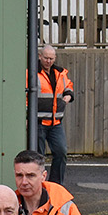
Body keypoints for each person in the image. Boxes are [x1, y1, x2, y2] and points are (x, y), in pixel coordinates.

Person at [33, 45, 76, 184]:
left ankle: (56, 185)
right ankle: (39, 185)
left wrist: (68, 96)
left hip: (56, 122)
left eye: (51, 58)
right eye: (46, 58)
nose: (48, 61)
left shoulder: (60, 72)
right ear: (40, 56)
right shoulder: (32, 72)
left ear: (55, 58)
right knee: (38, 157)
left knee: (61, 152)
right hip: (38, 122)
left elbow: (68, 85)